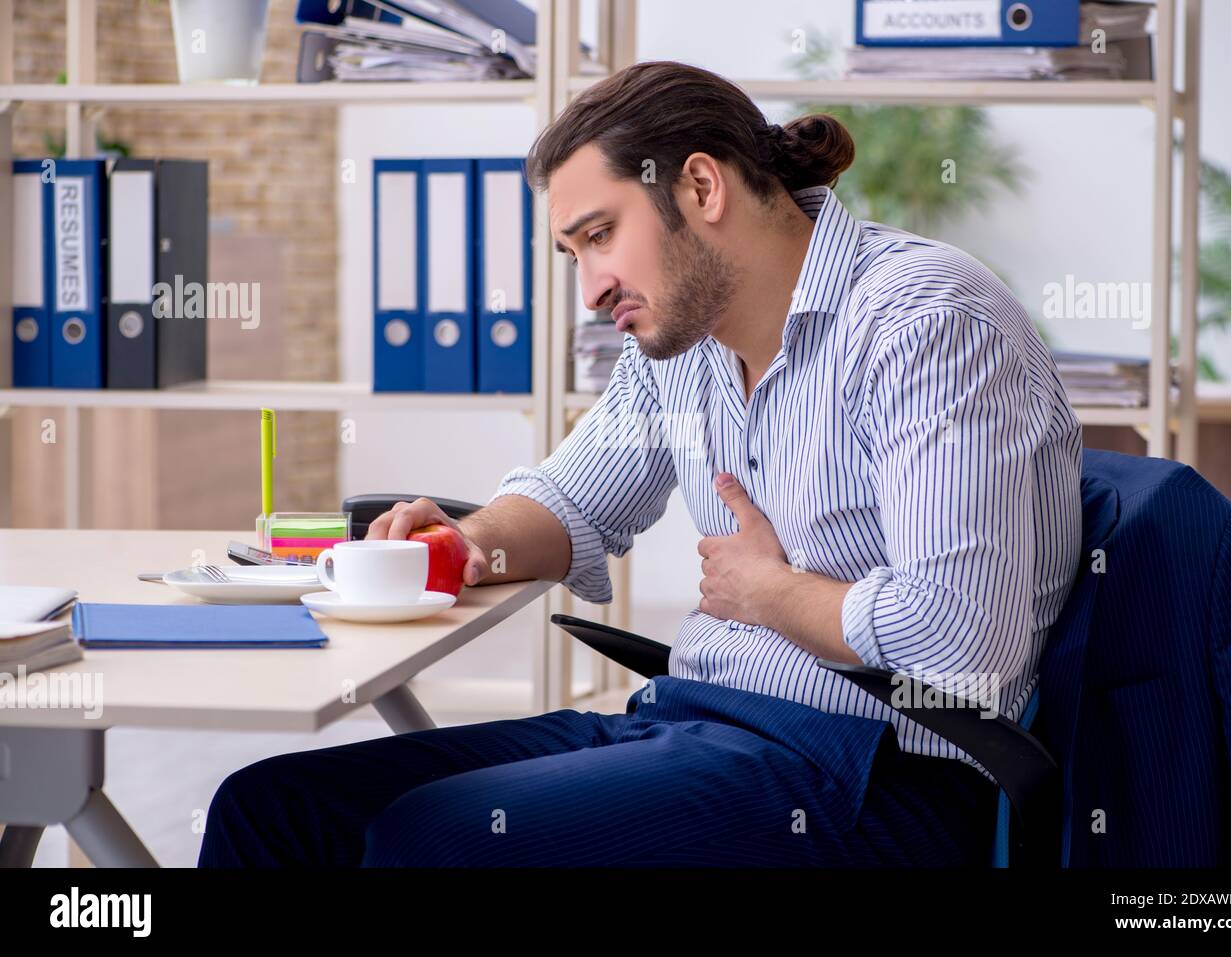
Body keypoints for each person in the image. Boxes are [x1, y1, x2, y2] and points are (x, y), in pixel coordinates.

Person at [198, 60, 1082, 868]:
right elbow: (574, 499)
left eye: (599, 235)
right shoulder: (684, 347)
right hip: (697, 723)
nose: (589, 288)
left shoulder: (924, 323)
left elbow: (963, 640)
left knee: (435, 841)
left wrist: (770, 594)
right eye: (574, 252)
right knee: (272, 810)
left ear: (699, 186)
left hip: (879, 776)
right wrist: (468, 542)